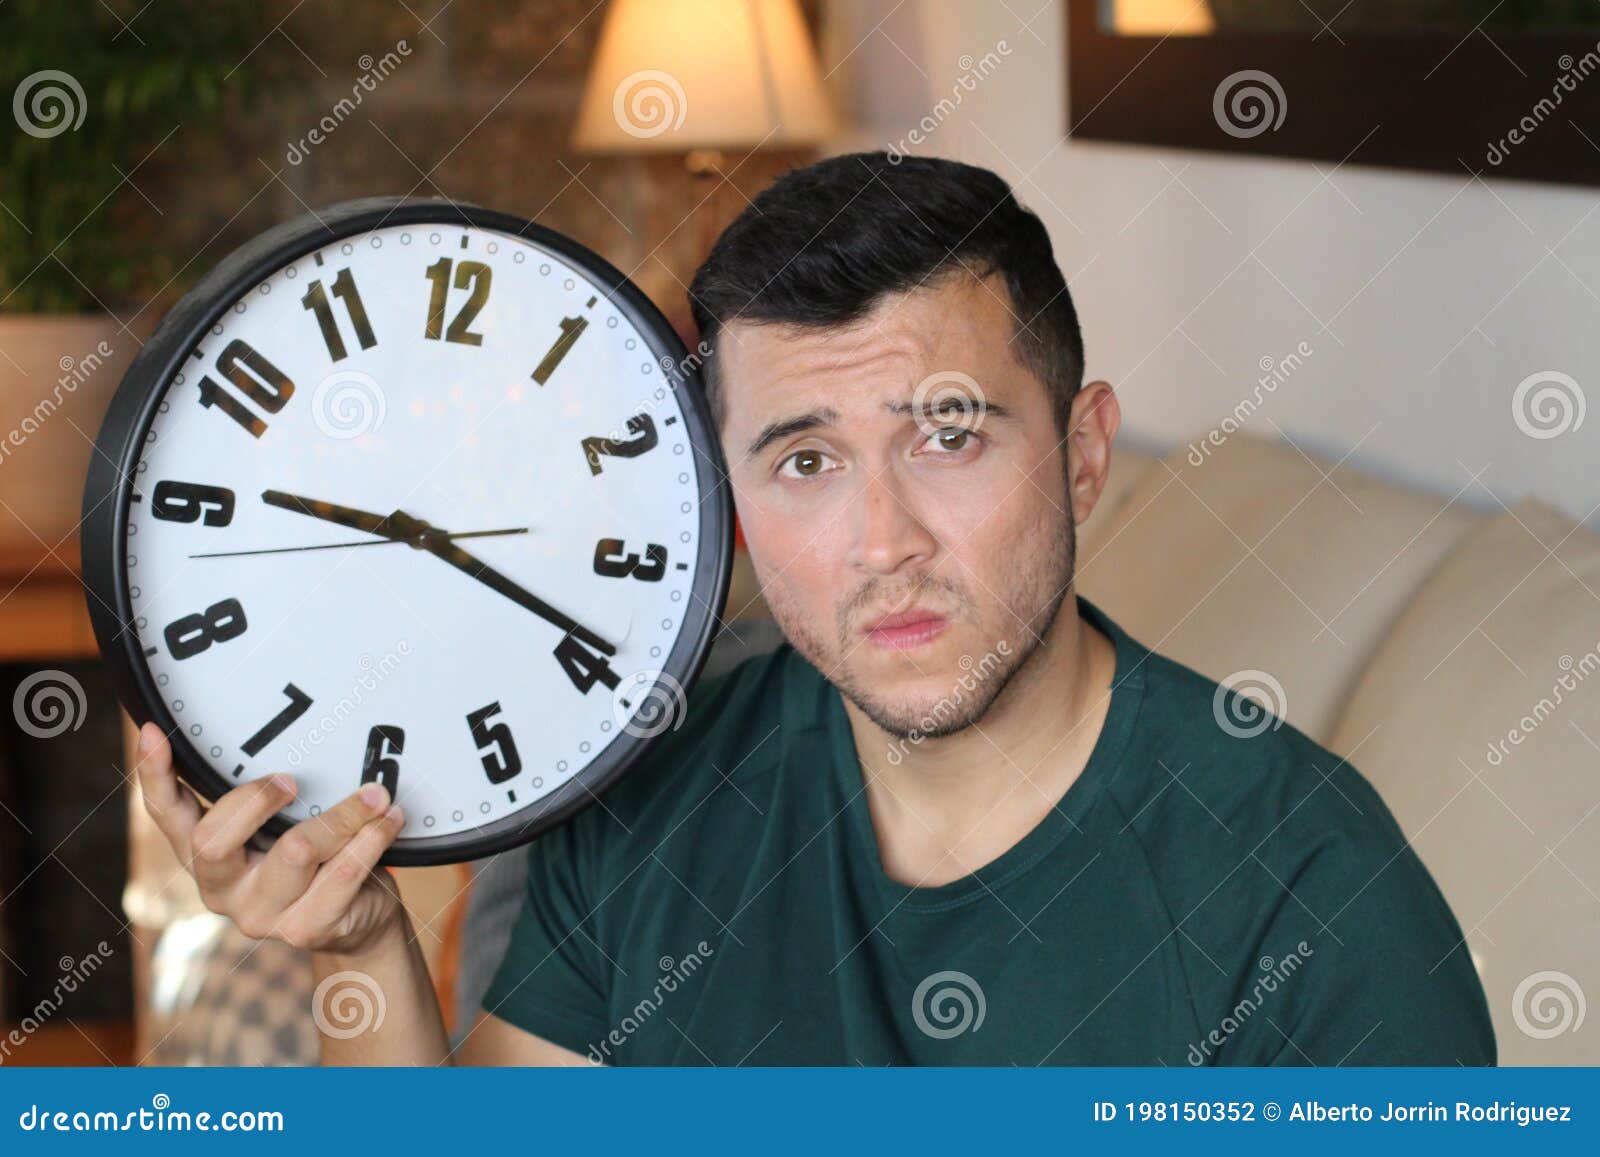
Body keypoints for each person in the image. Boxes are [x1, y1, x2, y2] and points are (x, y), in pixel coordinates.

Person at [133, 152, 1495, 1066]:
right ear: (724, 503)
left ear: (1084, 453)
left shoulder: (1315, 903)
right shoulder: (649, 798)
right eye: (805, 461)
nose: (882, 541)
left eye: (950, 435)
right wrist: (361, 940)